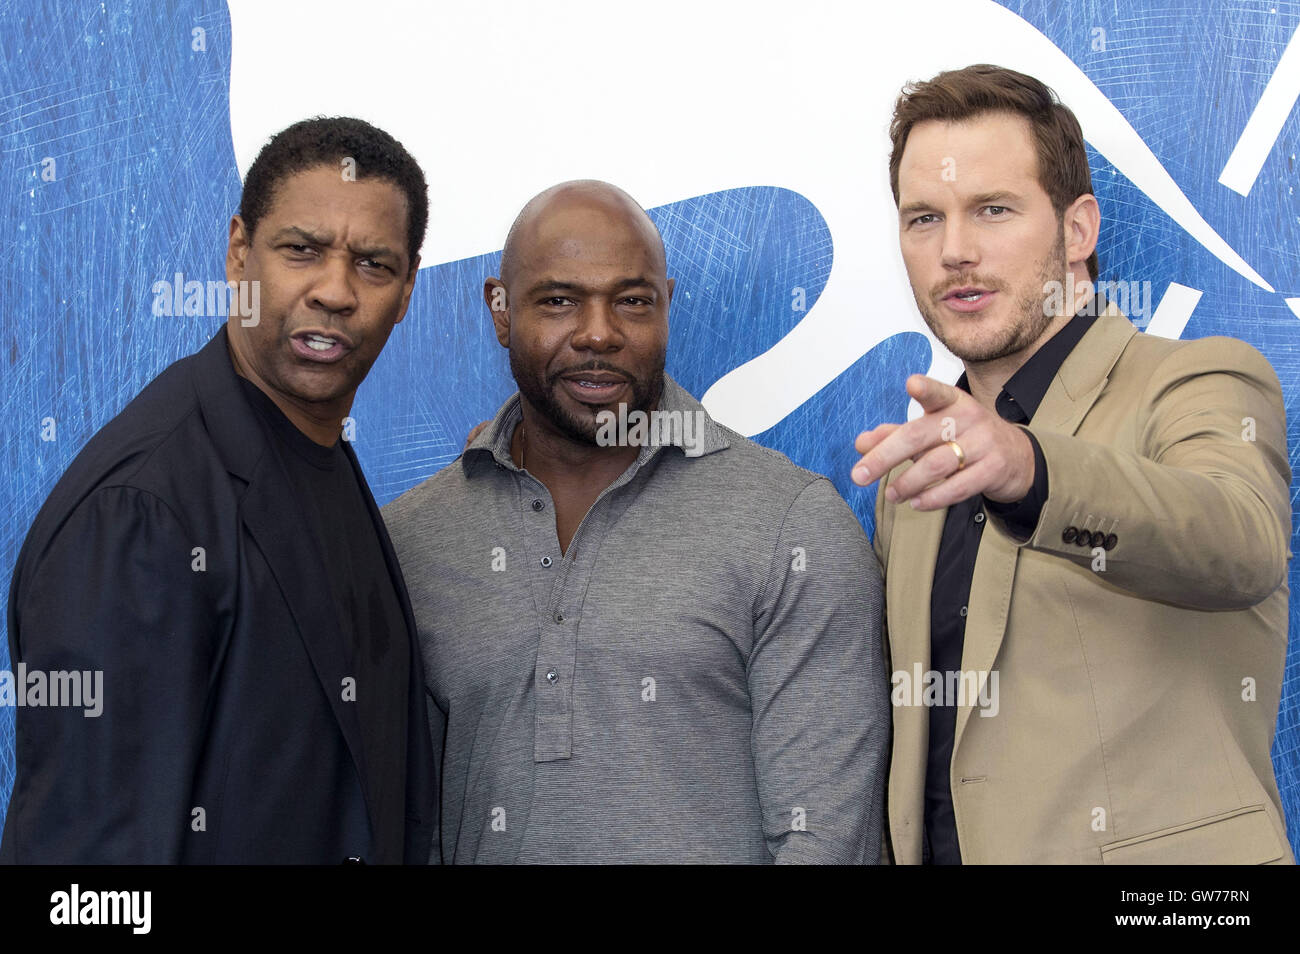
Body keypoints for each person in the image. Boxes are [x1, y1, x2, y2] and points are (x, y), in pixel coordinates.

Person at [852, 64, 1293, 863]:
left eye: (992, 210)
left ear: (1079, 229)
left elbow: (1242, 540)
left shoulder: (1197, 380)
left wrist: (1032, 469)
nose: (954, 251)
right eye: (924, 218)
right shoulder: (909, 475)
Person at [384, 180, 888, 863]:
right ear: (500, 311)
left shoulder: (790, 525)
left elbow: (824, 838)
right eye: (559, 301)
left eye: (632, 301)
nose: (599, 333)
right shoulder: (413, 539)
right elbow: (405, 827)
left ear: (667, 308)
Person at [1, 117, 434, 863]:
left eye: (372, 264)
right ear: (239, 252)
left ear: (406, 292)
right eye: (302, 251)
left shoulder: (317, 449)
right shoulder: (142, 510)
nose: (334, 291)